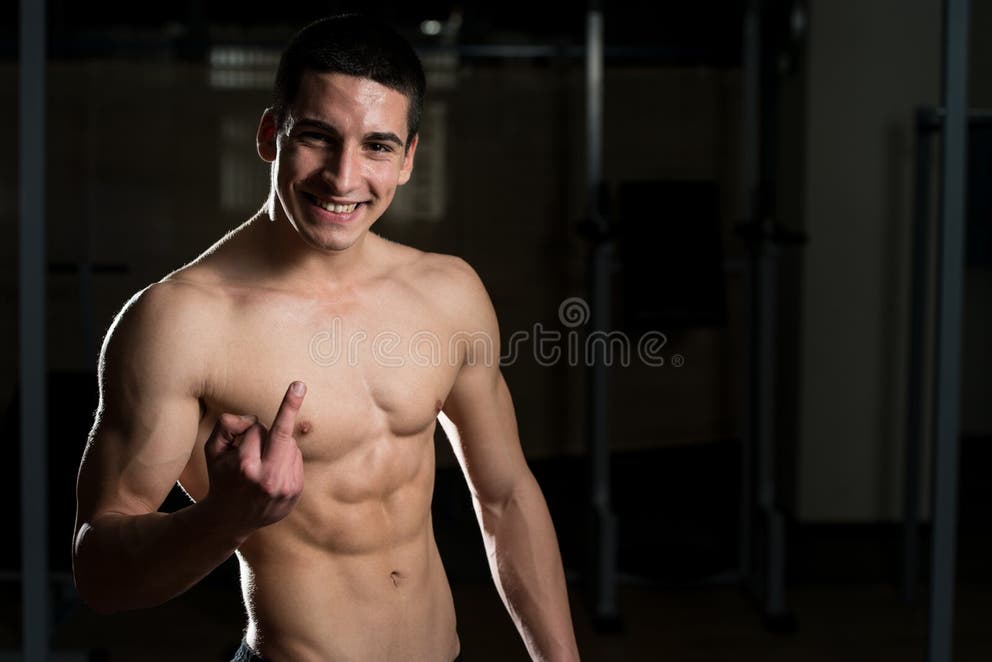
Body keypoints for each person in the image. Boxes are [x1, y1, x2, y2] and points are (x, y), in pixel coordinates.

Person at [71, 12, 580, 662]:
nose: (343, 179)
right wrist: (226, 517)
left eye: (377, 146)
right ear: (268, 134)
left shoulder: (448, 293)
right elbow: (100, 577)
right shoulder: (180, 322)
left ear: (408, 158)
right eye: (317, 137)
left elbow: (506, 495)